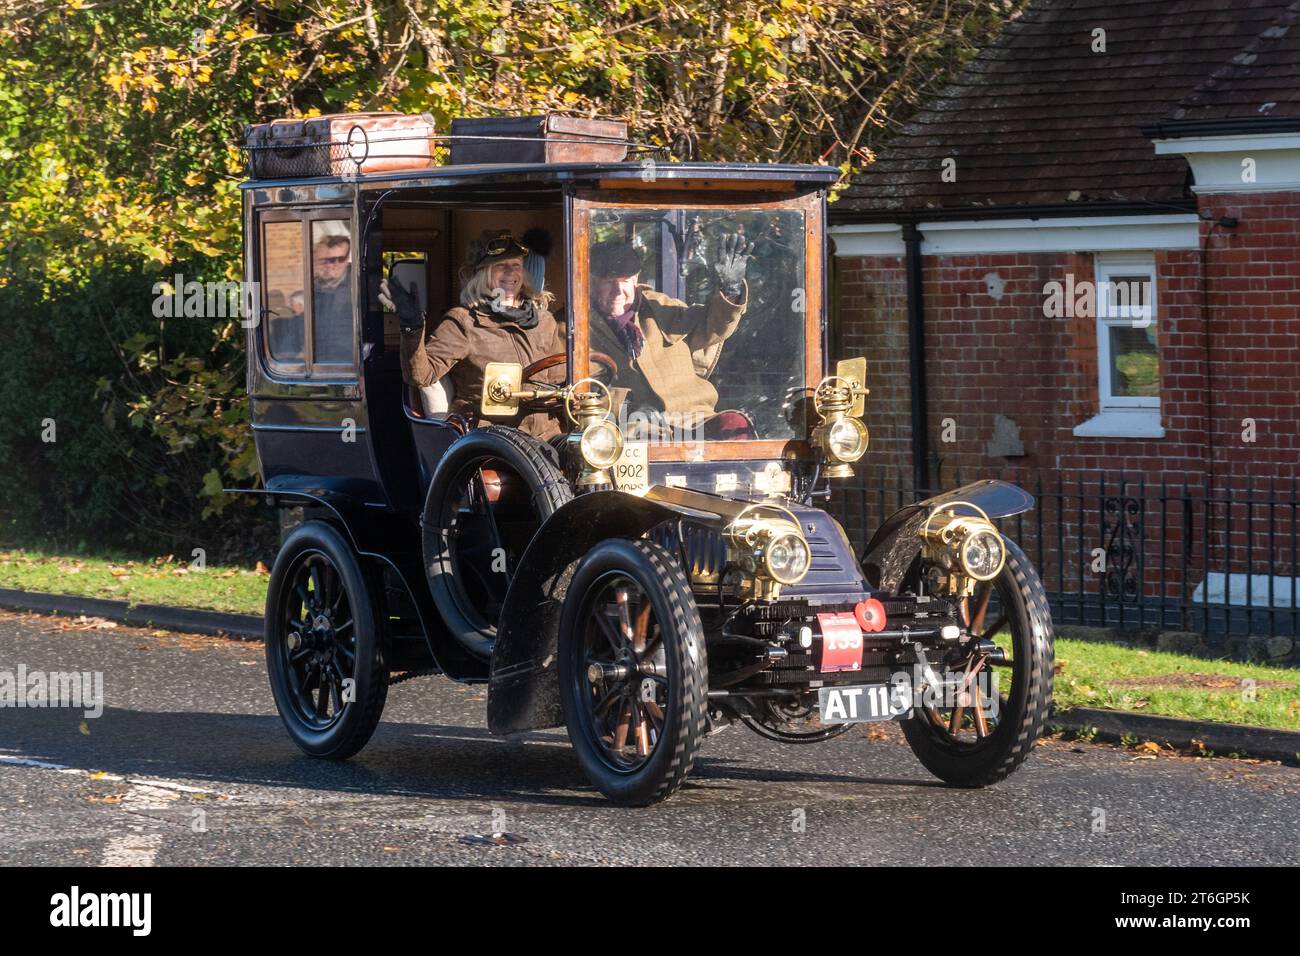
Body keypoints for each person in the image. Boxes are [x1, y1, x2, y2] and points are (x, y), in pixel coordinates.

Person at [380, 231, 565, 440]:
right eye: (500, 265)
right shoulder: (464, 321)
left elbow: (559, 381)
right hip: (493, 436)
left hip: (546, 434)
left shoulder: (544, 321)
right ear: (483, 273)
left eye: (516, 265)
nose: (510, 272)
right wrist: (412, 327)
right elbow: (421, 375)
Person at [587, 234, 755, 440]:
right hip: (627, 426)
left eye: (626, 281)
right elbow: (576, 391)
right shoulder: (575, 327)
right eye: (609, 282)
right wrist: (627, 407)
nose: (618, 291)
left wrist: (730, 291)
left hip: (691, 417)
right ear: (591, 283)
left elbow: (711, 327)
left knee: (734, 426)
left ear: (636, 280)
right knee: (647, 438)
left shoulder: (661, 308)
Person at [312, 227, 352, 363]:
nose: (332, 265)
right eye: (326, 260)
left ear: (347, 260)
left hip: (348, 361)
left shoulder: (357, 286)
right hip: (317, 362)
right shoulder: (309, 288)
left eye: (339, 259)